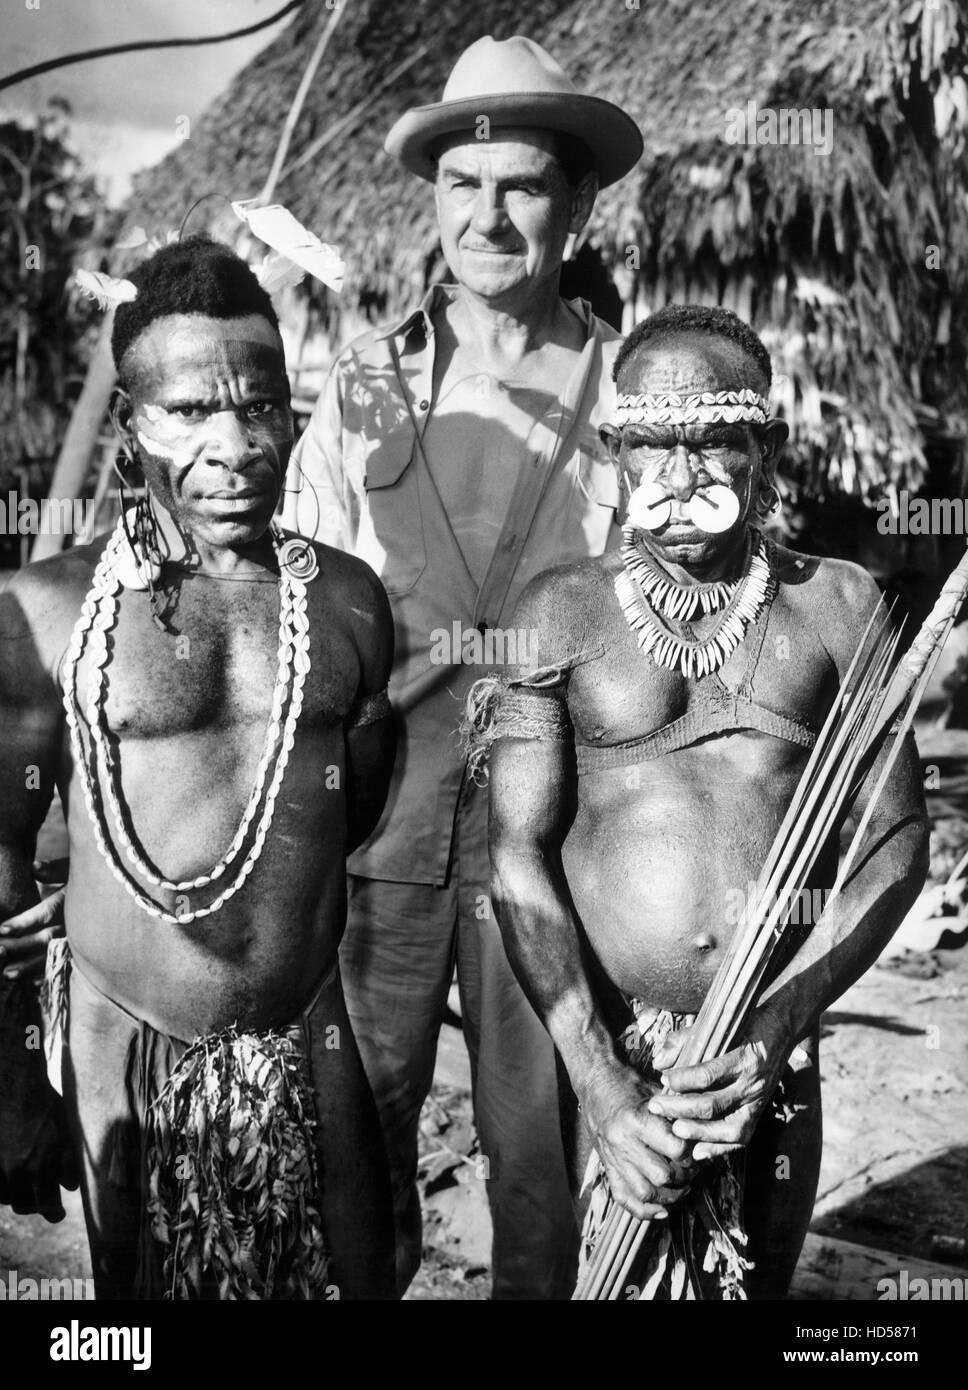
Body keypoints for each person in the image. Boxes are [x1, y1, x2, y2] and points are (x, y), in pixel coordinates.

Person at [280, 34, 643, 1299]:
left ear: (579, 202)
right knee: (357, 1132)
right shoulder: (367, 383)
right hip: (378, 822)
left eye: (523, 184)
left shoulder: (628, 388)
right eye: (461, 185)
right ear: (430, 198)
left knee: (534, 1145)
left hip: (546, 836)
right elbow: (302, 603)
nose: (487, 215)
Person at [479, 304, 930, 1298]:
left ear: (759, 446)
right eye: (651, 444)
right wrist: (598, 1076)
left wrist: (778, 1021)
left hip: (766, 1043)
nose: (679, 476)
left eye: (711, 441)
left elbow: (896, 847)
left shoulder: (838, 605)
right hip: (606, 1039)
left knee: (750, 1285)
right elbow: (515, 851)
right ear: (613, 449)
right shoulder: (556, 609)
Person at [0, 235, 396, 1300]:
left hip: (305, 1024)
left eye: (259, 405)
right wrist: (9, 1087)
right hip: (124, 1037)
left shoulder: (348, 601)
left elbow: (348, 801)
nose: (235, 445)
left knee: (368, 1268)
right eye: (186, 413)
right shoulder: (45, 614)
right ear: (130, 426)